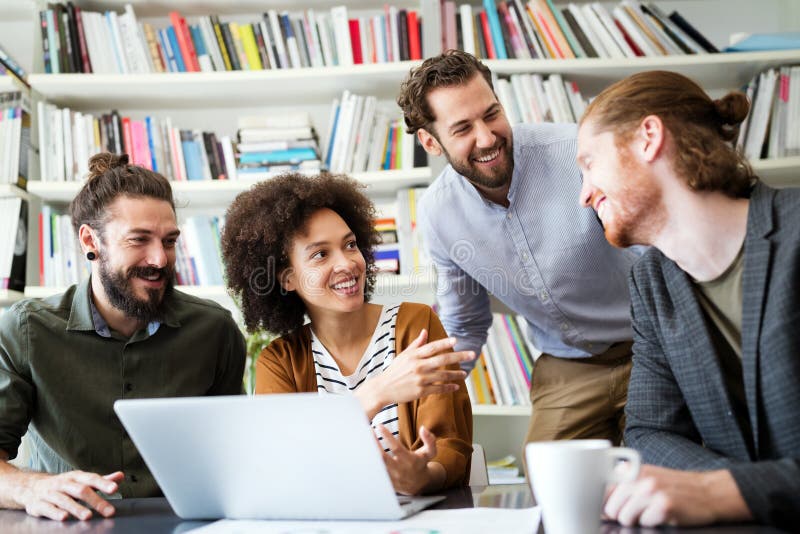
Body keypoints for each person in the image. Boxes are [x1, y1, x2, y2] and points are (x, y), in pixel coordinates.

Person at [577, 70, 800, 529]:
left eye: (589, 165)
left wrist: (727, 491)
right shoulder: (651, 284)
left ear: (648, 138)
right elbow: (650, 432)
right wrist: (731, 489)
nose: (584, 196)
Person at [397, 50, 638, 446]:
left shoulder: (575, 152)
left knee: (653, 475)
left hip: (644, 344)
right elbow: (466, 322)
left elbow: (655, 254)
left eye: (491, 114)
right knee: (547, 478)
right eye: (462, 129)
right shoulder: (439, 213)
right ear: (431, 141)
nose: (487, 138)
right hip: (567, 364)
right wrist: (425, 389)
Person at [0, 153, 246, 521]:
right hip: (67, 525)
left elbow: (236, 455)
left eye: (169, 241)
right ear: (90, 240)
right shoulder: (25, 330)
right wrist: (30, 487)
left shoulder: (216, 331)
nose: (160, 259)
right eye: (139, 240)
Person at [221, 172, 474, 495]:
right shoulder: (280, 361)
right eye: (320, 254)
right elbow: (282, 459)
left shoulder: (416, 325)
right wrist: (376, 393)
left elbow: (449, 443)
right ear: (287, 279)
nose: (347, 263)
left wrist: (423, 477)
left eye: (350, 245)